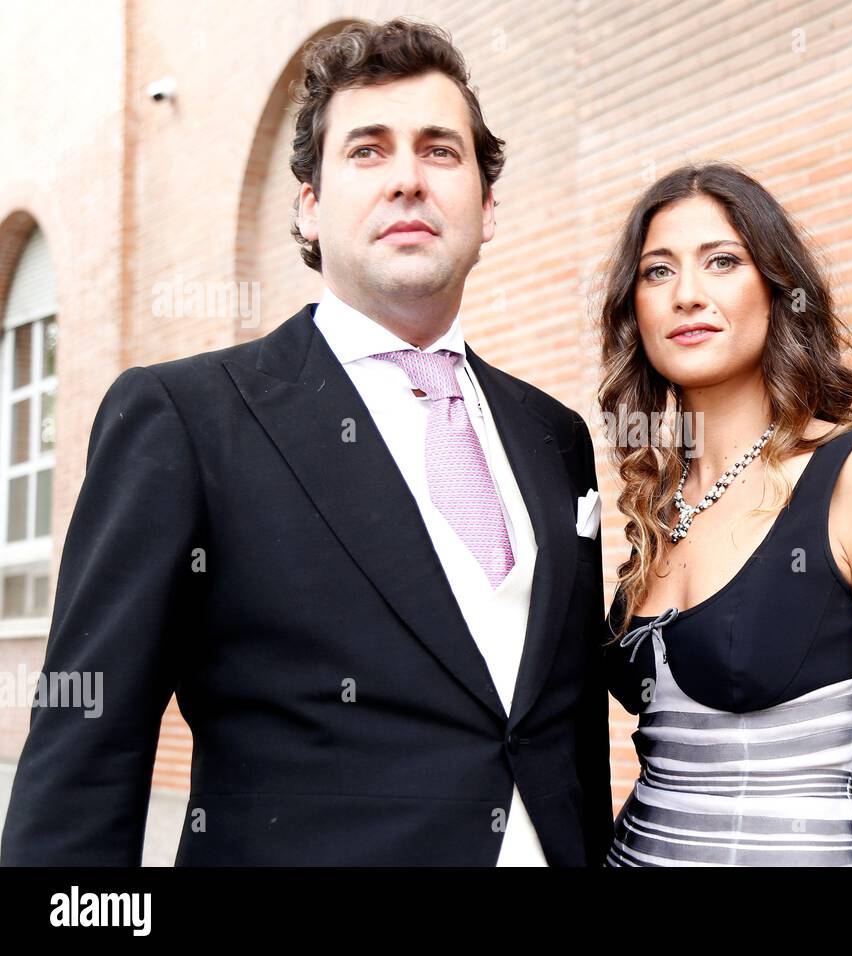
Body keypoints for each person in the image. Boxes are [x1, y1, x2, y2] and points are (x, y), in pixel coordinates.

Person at [1, 17, 611, 867]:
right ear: (311, 207)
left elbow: (569, 734)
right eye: (368, 150)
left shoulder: (554, 436)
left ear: (488, 205)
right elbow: (82, 759)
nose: (407, 179)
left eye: (440, 151)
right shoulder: (184, 418)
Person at [596, 162, 852, 866]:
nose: (688, 296)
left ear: (778, 291)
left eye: (723, 262)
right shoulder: (658, 501)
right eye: (658, 272)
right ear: (633, 309)